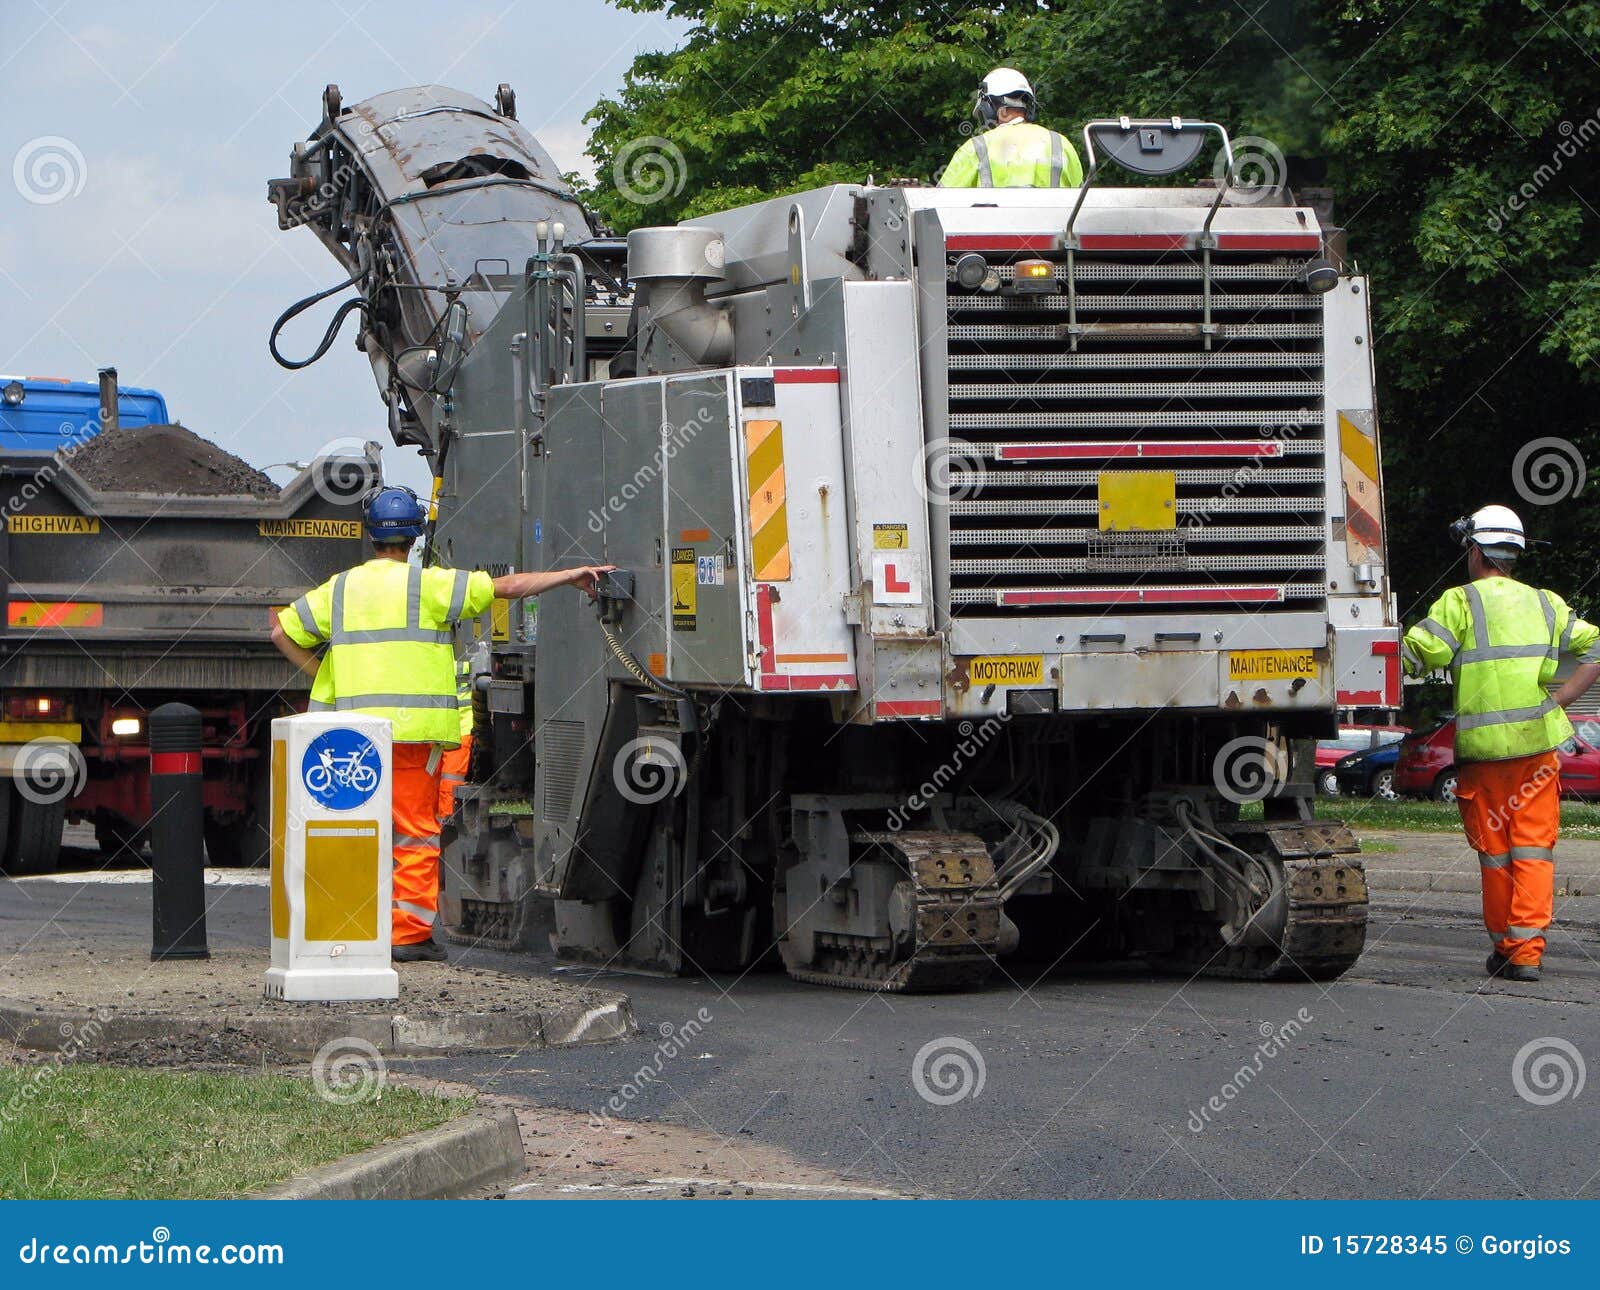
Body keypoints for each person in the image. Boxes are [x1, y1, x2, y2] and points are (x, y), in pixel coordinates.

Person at [270, 484, 611, 962]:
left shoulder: (341, 588)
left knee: (348, 830)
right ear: (413, 538)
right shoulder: (430, 586)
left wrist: (322, 672)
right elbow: (507, 587)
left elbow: (280, 631)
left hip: (350, 736)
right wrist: (570, 575)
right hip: (412, 737)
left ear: (371, 535)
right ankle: (407, 936)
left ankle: (342, 930)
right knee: (413, 834)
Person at [1402, 504, 1600, 983]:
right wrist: (1559, 702)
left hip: (1484, 756)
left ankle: (1505, 949)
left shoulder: (1459, 601)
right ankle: (1526, 953)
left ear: (1475, 551)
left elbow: (1417, 654)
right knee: (1532, 850)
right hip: (1537, 749)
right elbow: (1595, 648)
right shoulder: (1546, 603)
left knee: (1496, 856)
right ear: (1514, 553)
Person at [940, 67, 1083, 189]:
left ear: (990, 109)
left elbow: (940, 200)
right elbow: (1082, 198)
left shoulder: (976, 147)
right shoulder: (1060, 143)